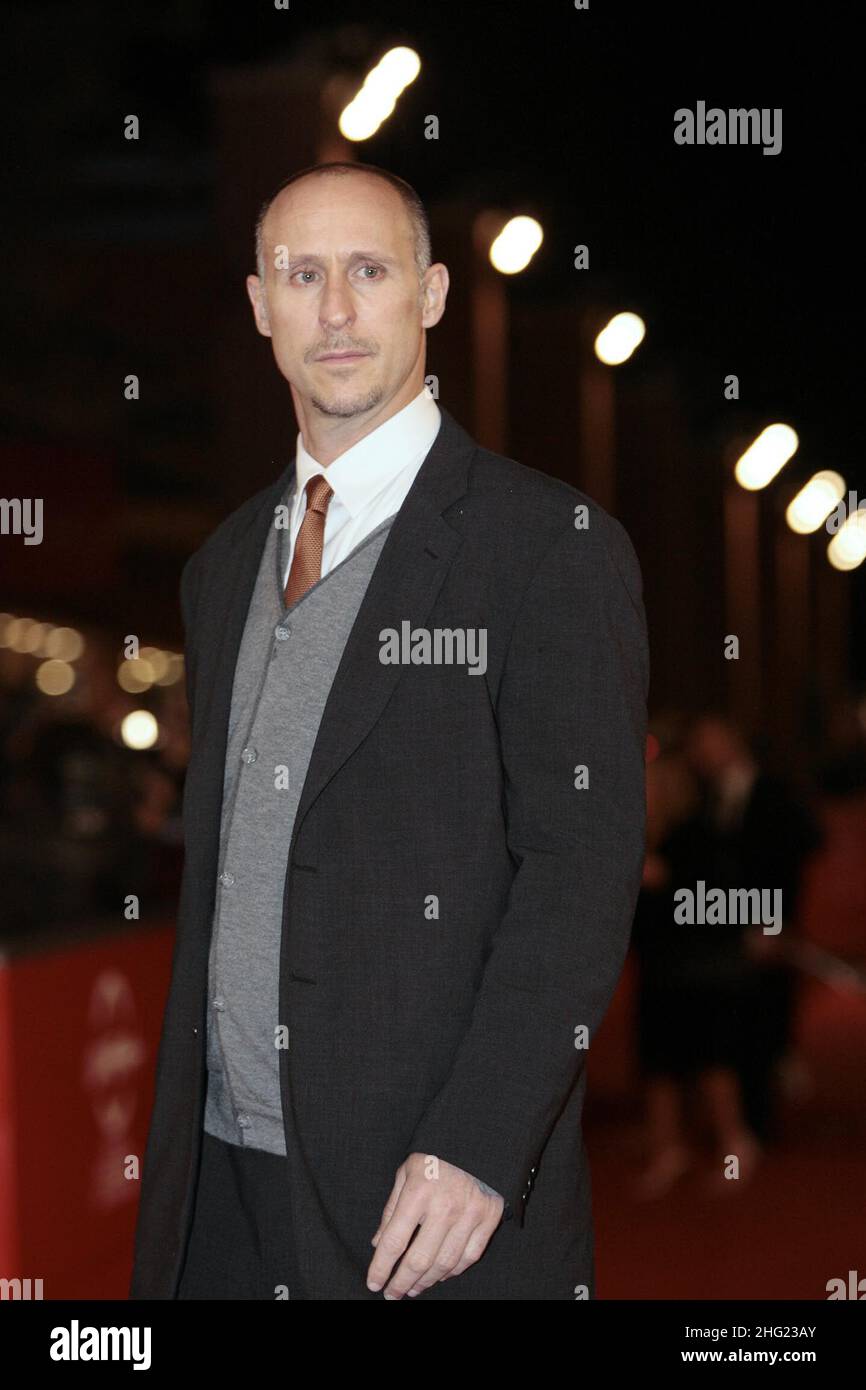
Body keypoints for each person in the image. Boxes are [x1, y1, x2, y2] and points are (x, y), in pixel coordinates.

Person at [129, 161, 648, 1301]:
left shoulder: (544, 545)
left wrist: (477, 1137)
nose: (333, 309)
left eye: (367, 270)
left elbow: (579, 869)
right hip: (221, 1189)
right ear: (260, 308)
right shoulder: (221, 568)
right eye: (299, 274)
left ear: (432, 294)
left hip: (423, 1200)